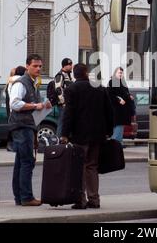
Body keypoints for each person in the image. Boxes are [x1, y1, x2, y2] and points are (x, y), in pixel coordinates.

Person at [60, 63, 113, 209]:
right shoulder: (99, 88)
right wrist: (109, 130)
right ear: (86, 73)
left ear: (74, 75)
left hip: (80, 134)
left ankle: (80, 200)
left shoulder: (71, 89)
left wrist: (64, 134)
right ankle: (94, 199)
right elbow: (109, 111)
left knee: (80, 167)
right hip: (98, 134)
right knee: (92, 166)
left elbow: (68, 114)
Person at [9, 54, 51, 206]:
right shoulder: (21, 83)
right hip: (22, 125)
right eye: (35, 66)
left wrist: (44, 105)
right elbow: (15, 104)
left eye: (40, 66)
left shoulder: (33, 83)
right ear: (27, 66)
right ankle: (26, 197)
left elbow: (33, 103)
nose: (38, 68)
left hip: (27, 125)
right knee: (27, 161)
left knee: (21, 162)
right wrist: (35, 106)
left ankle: (20, 197)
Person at [47, 58, 73, 137]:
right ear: (65, 65)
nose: (71, 66)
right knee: (62, 122)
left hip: (67, 103)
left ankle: (64, 140)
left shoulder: (67, 75)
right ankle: (58, 140)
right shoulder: (60, 75)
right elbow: (58, 88)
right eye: (70, 65)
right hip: (63, 104)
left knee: (65, 122)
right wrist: (63, 102)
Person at [107, 67, 133, 146]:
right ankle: (116, 144)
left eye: (122, 73)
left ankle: (118, 143)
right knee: (118, 126)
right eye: (119, 72)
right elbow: (109, 95)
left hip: (122, 110)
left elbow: (126, 93)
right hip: (116, 110)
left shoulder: (123, 82)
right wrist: (118, 100)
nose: (121, 74)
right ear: (115, 73)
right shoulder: (112, 82)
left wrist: (129, 96)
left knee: (120, 126)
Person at [5, 66, 26, 151]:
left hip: (10, 107)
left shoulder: (10, 81)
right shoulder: (20, 81)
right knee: (16, 127)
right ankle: (12, 144)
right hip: (17, 107)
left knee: (12, 126)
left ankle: (11, 144)